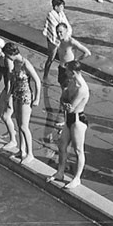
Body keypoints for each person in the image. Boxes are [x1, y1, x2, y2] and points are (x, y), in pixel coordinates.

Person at [46, 60, 90, 189]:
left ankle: (77, 178)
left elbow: (71, 107)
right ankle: (60, 172)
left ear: (73, 72)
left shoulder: (82, 88)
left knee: (78, 150)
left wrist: (64, 101)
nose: (65, 73)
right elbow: (63, 99)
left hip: (78, 120)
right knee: (62, 146)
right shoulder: (72, 82)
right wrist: (64, 101)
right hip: (69, 118)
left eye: (67, 71)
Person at [4, 42, 41, 164]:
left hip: (25, 96)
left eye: (7, 55)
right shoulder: (15, 63)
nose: (7, 58)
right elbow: (13, 80)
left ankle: (30, 153)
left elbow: (37, 81)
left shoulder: (26, 64)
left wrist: (37, 98)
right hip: (16, 94)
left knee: (24, 126)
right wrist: (9, 94)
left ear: (11, 53)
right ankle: (22, 150)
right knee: (19, 125)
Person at [42, 0, 71, 81]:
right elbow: (53, 28)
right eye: (61, 6)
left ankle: (64, 76)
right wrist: (59, 37)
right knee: (51, 58)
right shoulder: (51, 15)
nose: (63, 8)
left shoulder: (62, 14)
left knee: (64, 58)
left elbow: (67, 25)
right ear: (56, 7)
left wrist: (66, 34)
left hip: (62, 38)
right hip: (53, 40)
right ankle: (45, 76)